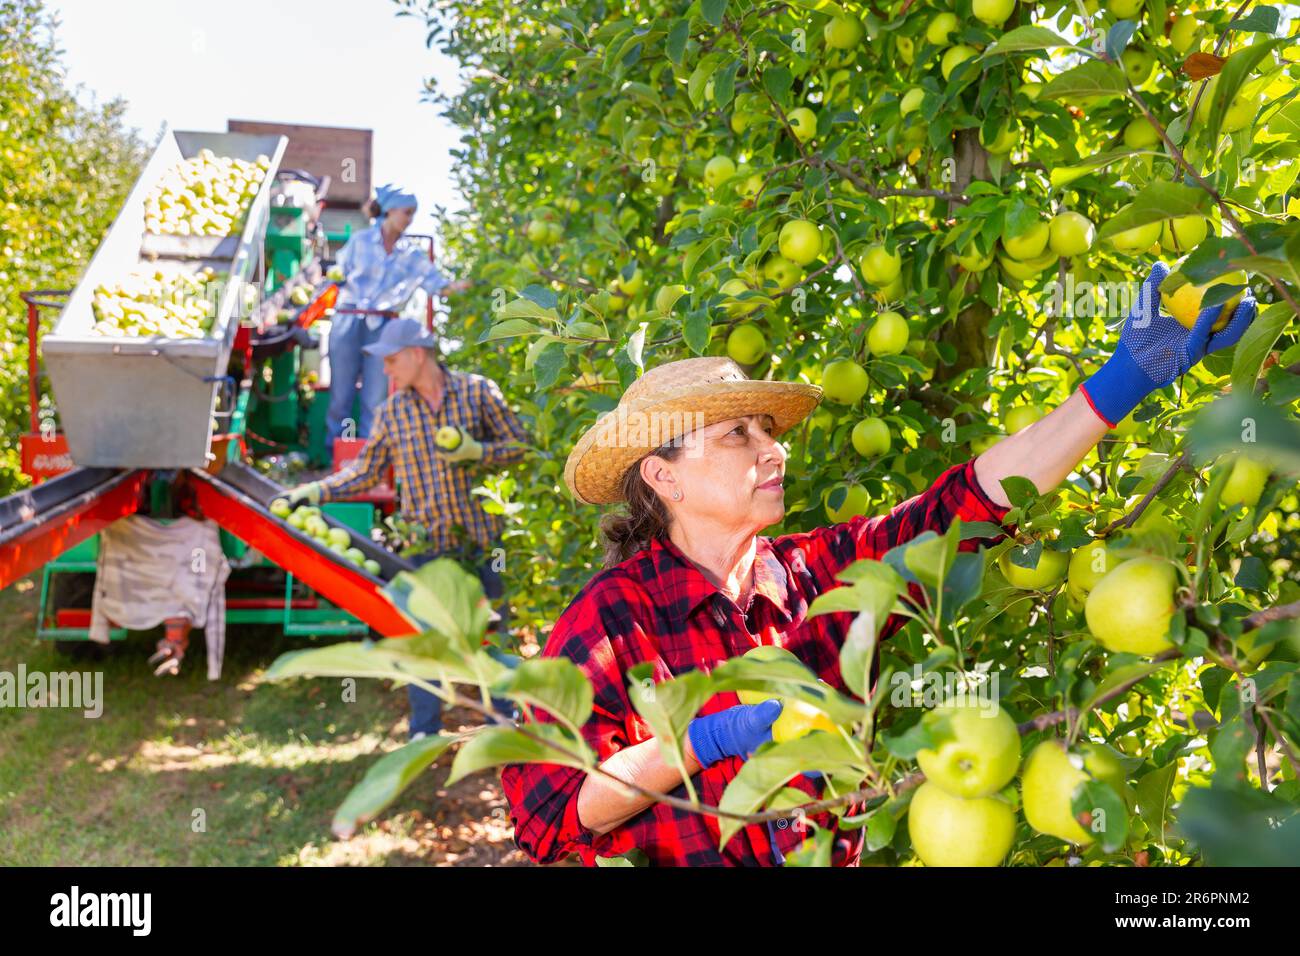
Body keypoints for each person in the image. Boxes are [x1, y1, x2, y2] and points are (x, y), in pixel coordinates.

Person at [499, 264, 1258, 867]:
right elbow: (548, 813)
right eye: (738, 435)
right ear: (662, 477)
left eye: (771, 430)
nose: (776, 449)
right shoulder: (610, 622)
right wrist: (696, 745)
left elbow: (967, 503)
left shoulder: (816, 579)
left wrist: (1124, 380)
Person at [288, 318, 530, 736]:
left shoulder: (477, 391)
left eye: (391, 359)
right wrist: (316, 492)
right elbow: (365, 473)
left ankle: (507, 725)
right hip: (428, 546)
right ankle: (424, 730)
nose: (385, 370)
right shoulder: (393, 412)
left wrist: (478, 451)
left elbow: (519, 447)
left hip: (484, 541)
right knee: (424, 641)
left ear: (418, 354)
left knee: (497, 632)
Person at [325, 183, 468, 456]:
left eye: (413, 214)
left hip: (383, 328)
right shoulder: (360, 241)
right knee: (340, 394)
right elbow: (338, 271)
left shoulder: (411, 255)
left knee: (375, 398)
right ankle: (335, 454)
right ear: (390, 210)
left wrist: (464, 287)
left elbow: (437, 284)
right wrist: (334, 276)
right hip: (349, 320)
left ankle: (369, 459)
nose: (410, 218)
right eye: (407, 212)